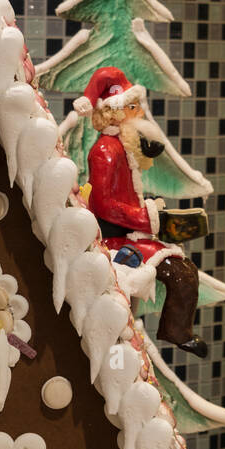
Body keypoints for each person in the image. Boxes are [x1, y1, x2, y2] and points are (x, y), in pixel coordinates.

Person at [71, 66, 207, 358]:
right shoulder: (106, 152)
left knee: (181, 271)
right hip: (115, 239)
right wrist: (149, 218)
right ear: (114, 113)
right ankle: (172, 332)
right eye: (133, 107)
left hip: (129, 232)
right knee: (180, 274)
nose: (139, 113)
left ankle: (169, 331)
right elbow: (105, 205)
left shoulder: (122, 148)